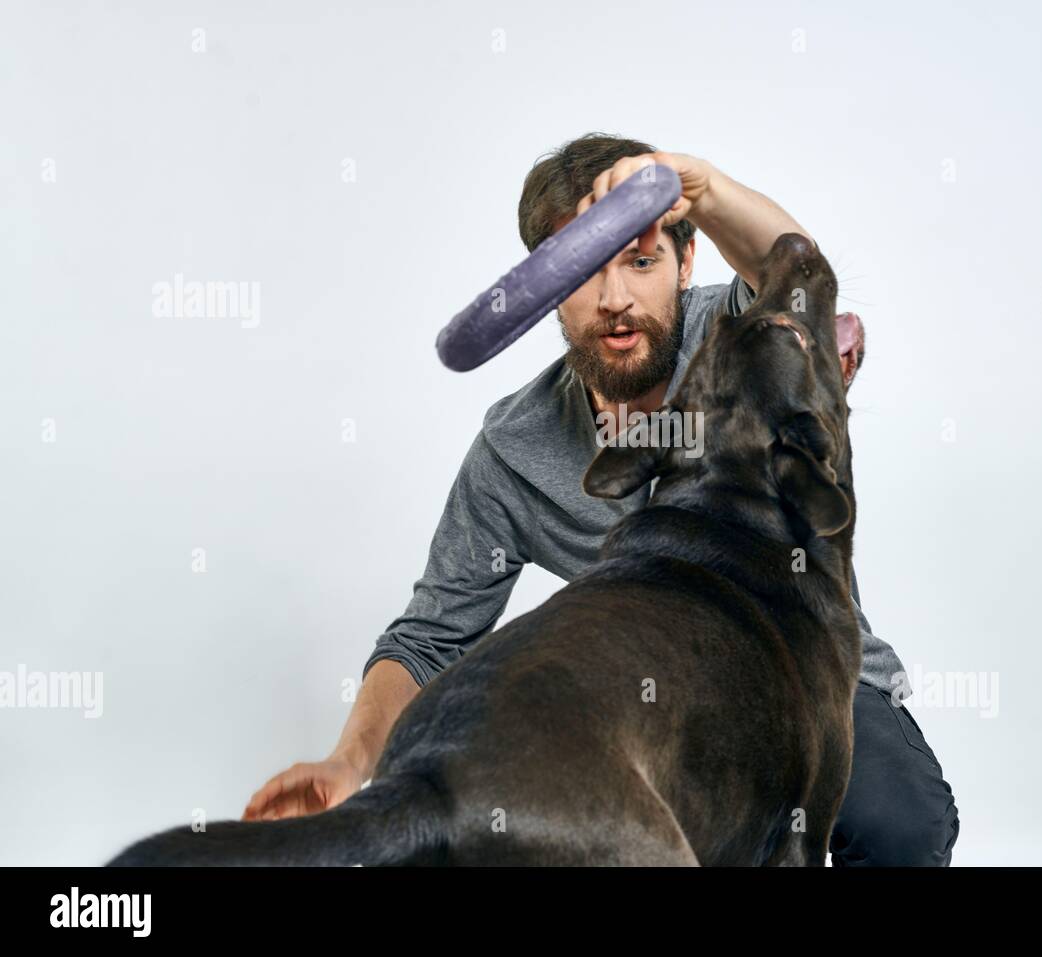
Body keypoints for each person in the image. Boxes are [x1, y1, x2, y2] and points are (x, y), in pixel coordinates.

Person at [243, 133, 960, 866]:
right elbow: (428, 638)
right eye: (585, 271)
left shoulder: (738, 337)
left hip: (803, 678)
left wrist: (703, 189)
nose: (615, 300)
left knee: (905, 826)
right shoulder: (514, 450)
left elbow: (796, 270)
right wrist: (350, 764)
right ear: (548, 289)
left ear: (686, 262)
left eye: (641, 261)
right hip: (652, 727)